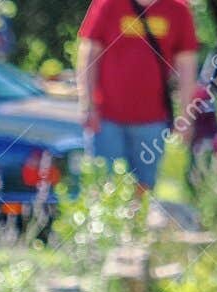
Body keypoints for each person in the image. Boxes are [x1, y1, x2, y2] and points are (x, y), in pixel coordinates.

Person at [77, 0, 198, 190]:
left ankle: (136, 221)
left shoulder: (178, 9)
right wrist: (87, 105)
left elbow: (187, 66)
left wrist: (186, 115)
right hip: (106, 119)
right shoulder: (108, 4)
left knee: (144, 190)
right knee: (104, 189)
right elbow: (89, 54)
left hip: (152, 121)